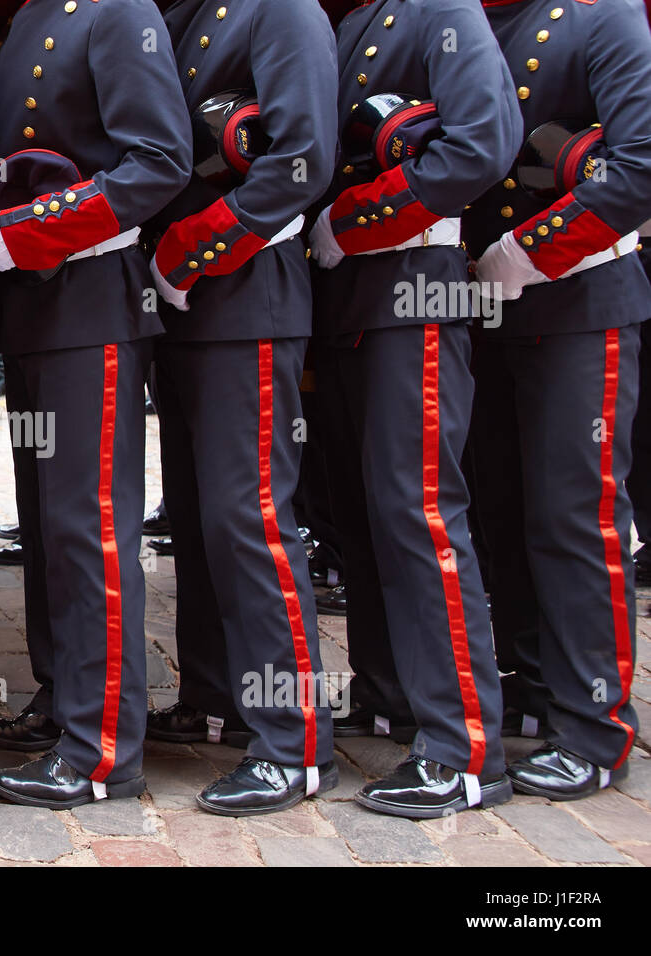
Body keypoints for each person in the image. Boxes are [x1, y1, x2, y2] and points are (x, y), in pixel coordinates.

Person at [0, 0, 190, 807]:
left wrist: (36, 231)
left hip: (92, 295)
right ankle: (63, 695)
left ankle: (102, 749)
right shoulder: (29, 17)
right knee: (49, 522)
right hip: (36, 300)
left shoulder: (118, 11)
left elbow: (159, 159)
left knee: (89, 527)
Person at [308, 0, 521, 818]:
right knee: (364, 517)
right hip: (354, 301)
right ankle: (390, 694)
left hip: (413, 286)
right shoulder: (359, 18)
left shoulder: (443, 10)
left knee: (421, 512)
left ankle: (463, 749)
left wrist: (353, 222)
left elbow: (480, 145)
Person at [144, 0, 339, 814]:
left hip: (246, 289)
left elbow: (299, 159)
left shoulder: (279, 10)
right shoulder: (186, 14)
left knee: (250, 515)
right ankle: (217, 693)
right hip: (188, 304)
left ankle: (292, 742)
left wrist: (191, 252)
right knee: (196, 516)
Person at [470, 0, 651, 801]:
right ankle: (535, 686)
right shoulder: (473, 20)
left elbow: (639, 165)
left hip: (578, 298)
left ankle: (595, 725)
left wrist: (525, 251)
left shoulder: (604, 16)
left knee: (574, 513)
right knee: (500, 508)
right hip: (482, 304)